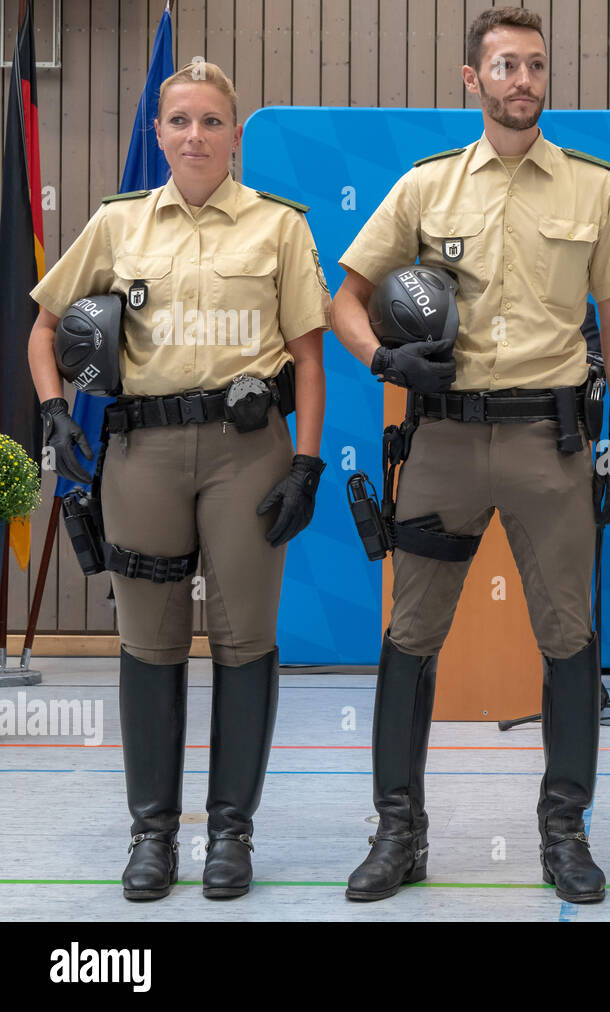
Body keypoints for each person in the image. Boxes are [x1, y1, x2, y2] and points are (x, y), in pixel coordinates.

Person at [331, 6, 610, 905]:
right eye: (505, 66)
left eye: (536, 66)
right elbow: (343, 297)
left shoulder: (594, 187)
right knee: (409, 637)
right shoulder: (427, 187)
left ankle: (564, 833)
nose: (523, 81)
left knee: (570, 640)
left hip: (553, 446)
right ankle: (399, 832)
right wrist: (379, 357)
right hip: (443, 445)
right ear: (473, 79)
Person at [26, 62, 330, 901]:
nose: (195, 135)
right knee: (149, 643)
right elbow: (45, 329)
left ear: (237, 135)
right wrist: (56, 415)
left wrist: (305, 462)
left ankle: (231, 834)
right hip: (143, 457)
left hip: (247, 454)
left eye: (211, 121)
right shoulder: (118, 225)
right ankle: (152, 837)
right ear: (158, 134)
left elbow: (309, 358)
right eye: (180, 121)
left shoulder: (279, 228)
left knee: (246, 641)